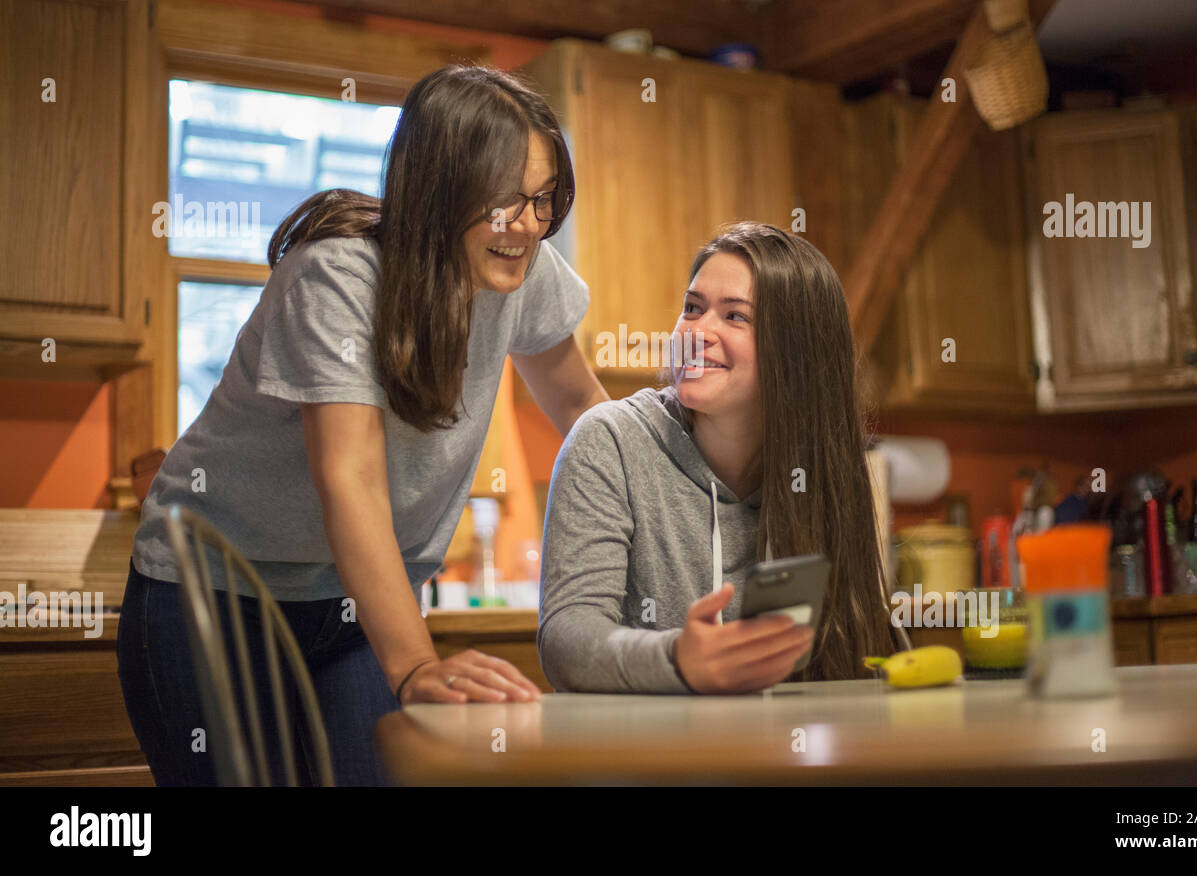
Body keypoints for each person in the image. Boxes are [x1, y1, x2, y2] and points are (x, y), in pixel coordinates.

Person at [118, 65, 608, 785]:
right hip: (217, 596)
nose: (530, 225)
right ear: (441, 189)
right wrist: (414, 666)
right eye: (507, 201)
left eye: (543, 200)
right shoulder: (339, 277)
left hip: (351, 608)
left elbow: (587, 415)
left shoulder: (524, 268)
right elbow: (348, 475)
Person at [539, 222, 903, 694]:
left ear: (796, 354)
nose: (697, 331)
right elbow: (566, 640)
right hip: (637, 760)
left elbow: (856, 637)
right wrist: (678, 659)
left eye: (735, 316)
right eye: (693, 308)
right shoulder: (611, 442)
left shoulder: (821, 469)